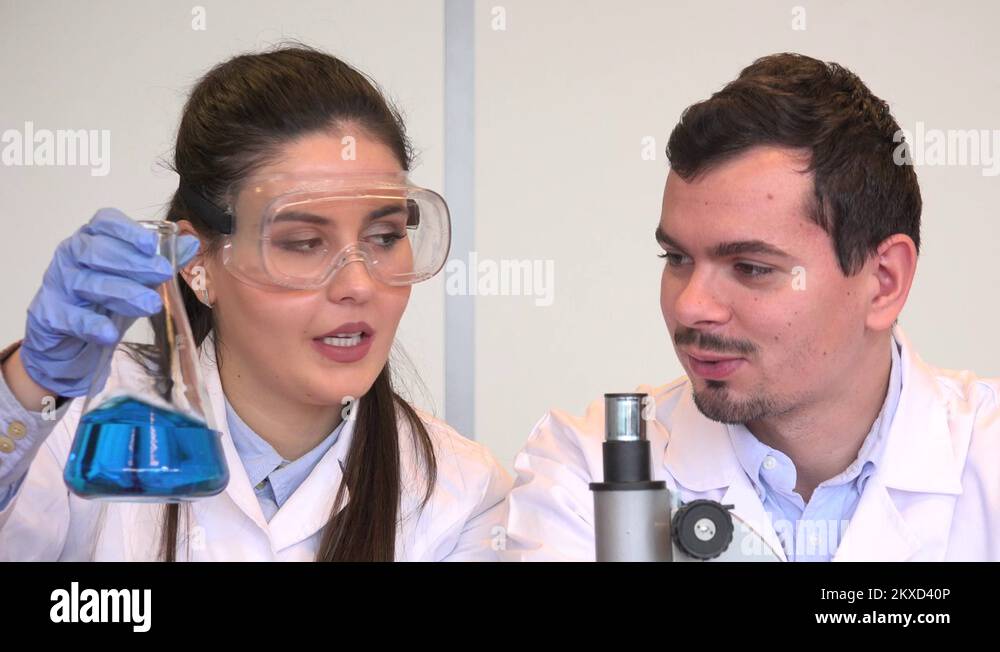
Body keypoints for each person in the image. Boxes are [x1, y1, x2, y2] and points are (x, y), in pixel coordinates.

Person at [0, 45, 511, 561]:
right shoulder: (83, 423)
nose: (359, 284)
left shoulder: (459, 492)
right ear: (196, 260)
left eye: (385, 235)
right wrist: (30, 386)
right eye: (303, 242)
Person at [503, 53, 1000, 562]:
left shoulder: (989, 454)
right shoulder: (584, 469)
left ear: (884, 282)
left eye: (750, 267)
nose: (691, 306)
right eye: (676, 258)